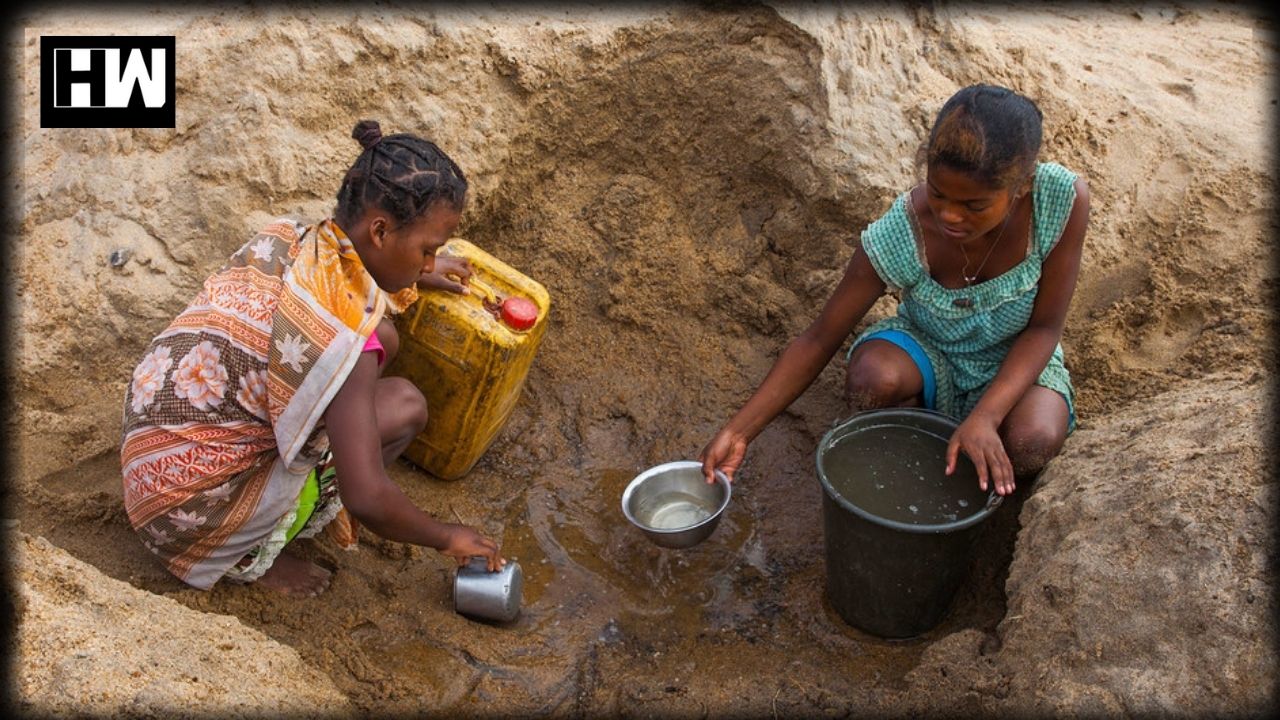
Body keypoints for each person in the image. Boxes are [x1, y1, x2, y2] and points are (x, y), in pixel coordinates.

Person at [121, 119, 505, 597]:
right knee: (406, 406)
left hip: (153, 453)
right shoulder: (343, 336)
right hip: (188, 520)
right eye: (427, 250)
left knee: (381, 337)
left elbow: (357, 282)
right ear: (381, 232)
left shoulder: (294, 239)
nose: (430, 263)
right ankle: (250, 554)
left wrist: (413, 273)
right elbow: (367, 497)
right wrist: (446, 536)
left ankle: (272, 512)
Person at [701, 84, 1090, 498]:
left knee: (1032, 443)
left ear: (1021, 187)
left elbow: (1045, 329)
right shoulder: (904, 231)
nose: (950, 215)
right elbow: (819, 338)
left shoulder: (1059, 201)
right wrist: (739, 431)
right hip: (929, 347)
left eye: (974, 205)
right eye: (938, 194)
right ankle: (913, 446)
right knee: (874, 380)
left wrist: (986, 416)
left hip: (1015, 358)